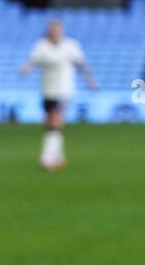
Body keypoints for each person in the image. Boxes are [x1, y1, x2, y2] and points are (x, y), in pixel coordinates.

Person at [17, 19, 98, 170]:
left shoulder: (70, 46)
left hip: (64, 90)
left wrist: (90, 81)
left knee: (55, 119)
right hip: (47, 90)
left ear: (61, 31)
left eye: (57, 30)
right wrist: (25, 69)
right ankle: (59, 157)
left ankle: (46, 158)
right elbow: (32, 61)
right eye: (52, 30)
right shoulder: (41, 46)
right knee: (50, 123)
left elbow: (81, 64)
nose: (55, 33)